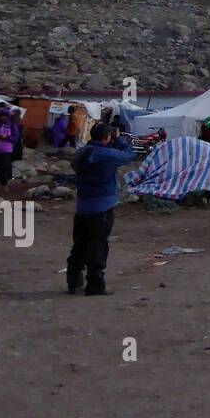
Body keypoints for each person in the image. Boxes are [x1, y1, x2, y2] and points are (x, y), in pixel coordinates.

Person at [67, 122, 135, 296]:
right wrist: (119, 139)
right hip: (102, 206)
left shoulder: (83, 152)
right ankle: (95, 285)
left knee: (80, 245)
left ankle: (73, 281)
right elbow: (128, 155)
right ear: (107, 137)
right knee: (98, 245)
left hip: (83, 205)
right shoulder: (106, 154)